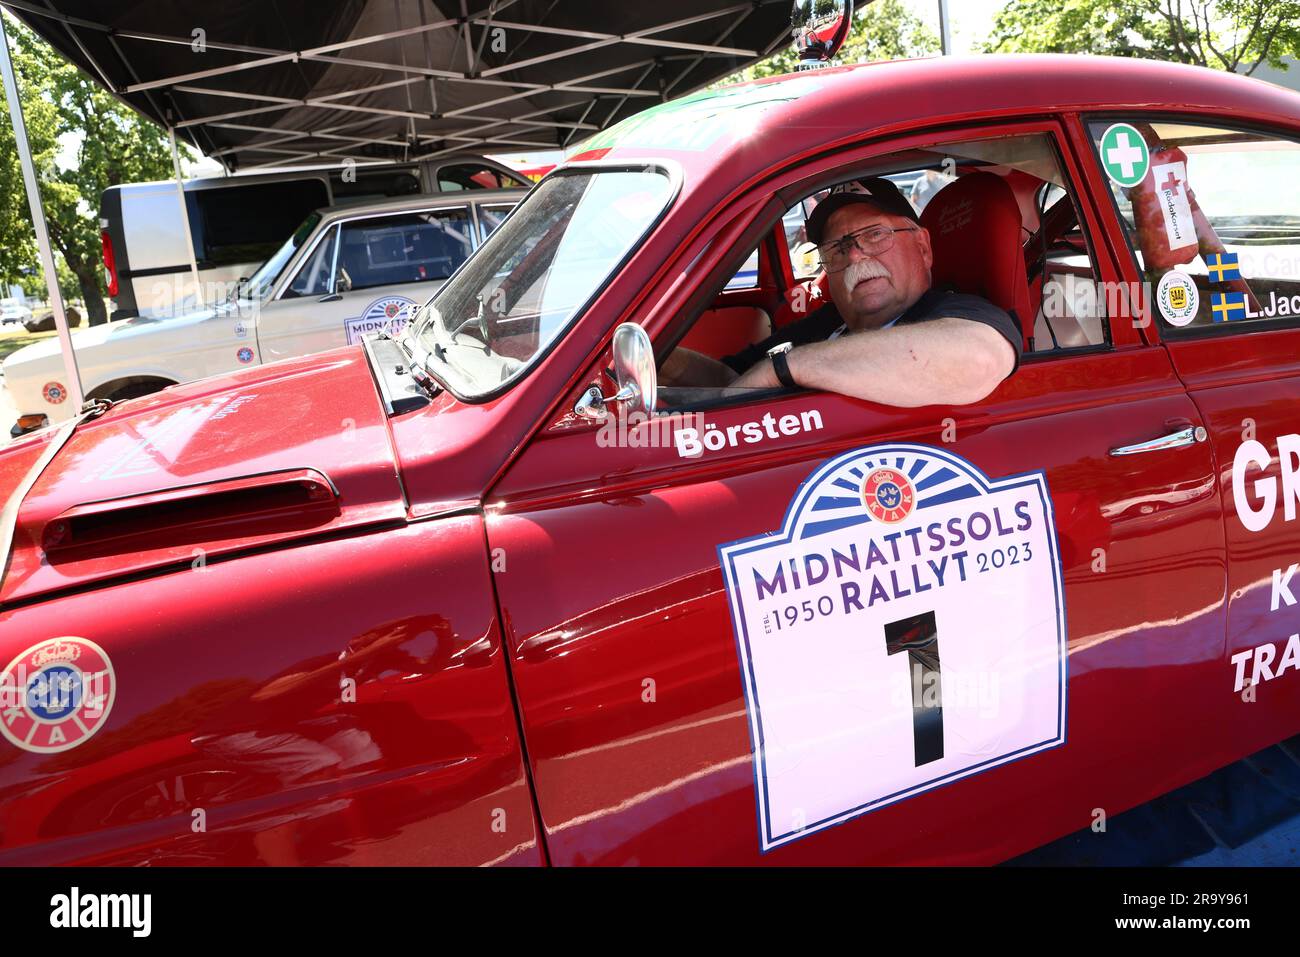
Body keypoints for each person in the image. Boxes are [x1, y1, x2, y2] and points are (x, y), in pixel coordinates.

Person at [660, 177, 1021, 408]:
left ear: (923, 247)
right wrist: (659, 362)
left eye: (875, 235)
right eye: (836, 247)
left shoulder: (952, 310)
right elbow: (733, 382)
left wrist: (787, 369)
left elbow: (980, 358)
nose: (854, 254)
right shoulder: (829, 322)